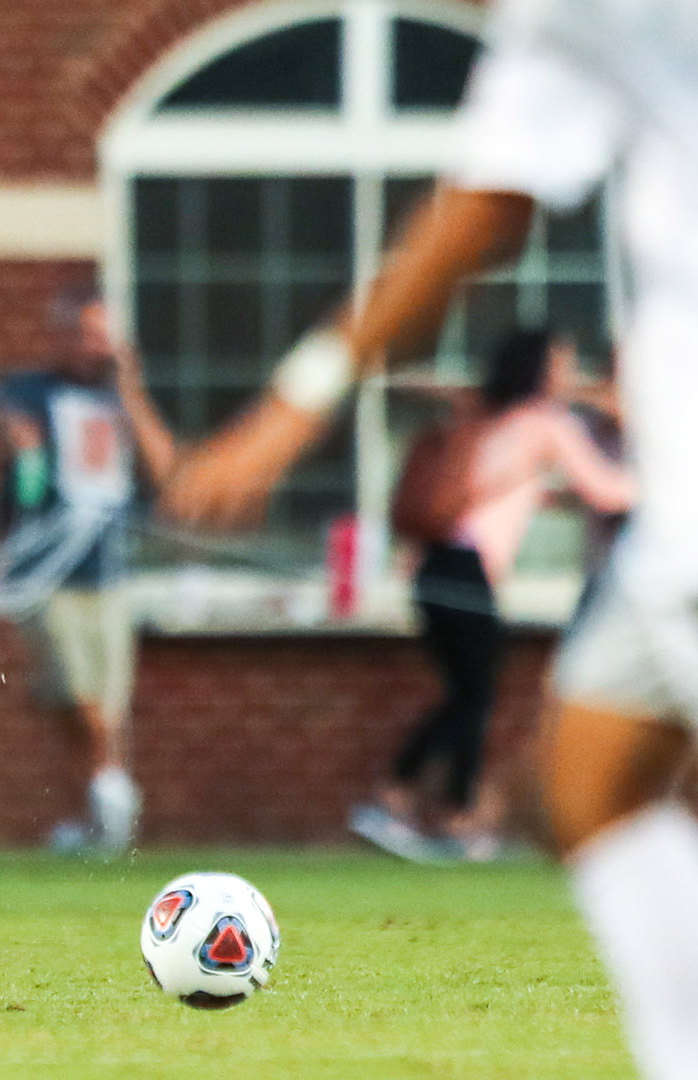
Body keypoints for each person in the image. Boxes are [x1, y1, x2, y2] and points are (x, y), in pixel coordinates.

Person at [163, 1, 698, 1074]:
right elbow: (583, 479)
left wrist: (286, 413)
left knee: (557, 760)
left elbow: (477, 213)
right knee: (575, 773)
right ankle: (412, 809)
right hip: (596, 549)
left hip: (647, 532)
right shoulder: (533, 424)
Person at [351, 330, 632, 863]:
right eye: (565, 365)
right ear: (543, 372)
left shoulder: (491, 420)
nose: (573, 376)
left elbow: (520, 487)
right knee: (474, 694)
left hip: (435, 564)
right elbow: (609, 490)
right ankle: (418, 806)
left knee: (469, 692)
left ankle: (434, 809)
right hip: (466, 568)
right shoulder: (548, 425)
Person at [0, 288, 176, 855]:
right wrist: (17, 442)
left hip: (109, 574)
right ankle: (109, 800)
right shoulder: (29, 390)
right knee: (76, 696)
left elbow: (165, 469)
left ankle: (96, 810)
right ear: (62, 336)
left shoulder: (119, 399)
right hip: (48, 573)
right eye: (86, 334)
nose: (96, 347)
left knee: (104, 705)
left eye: (103, 335)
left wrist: (130, 391)